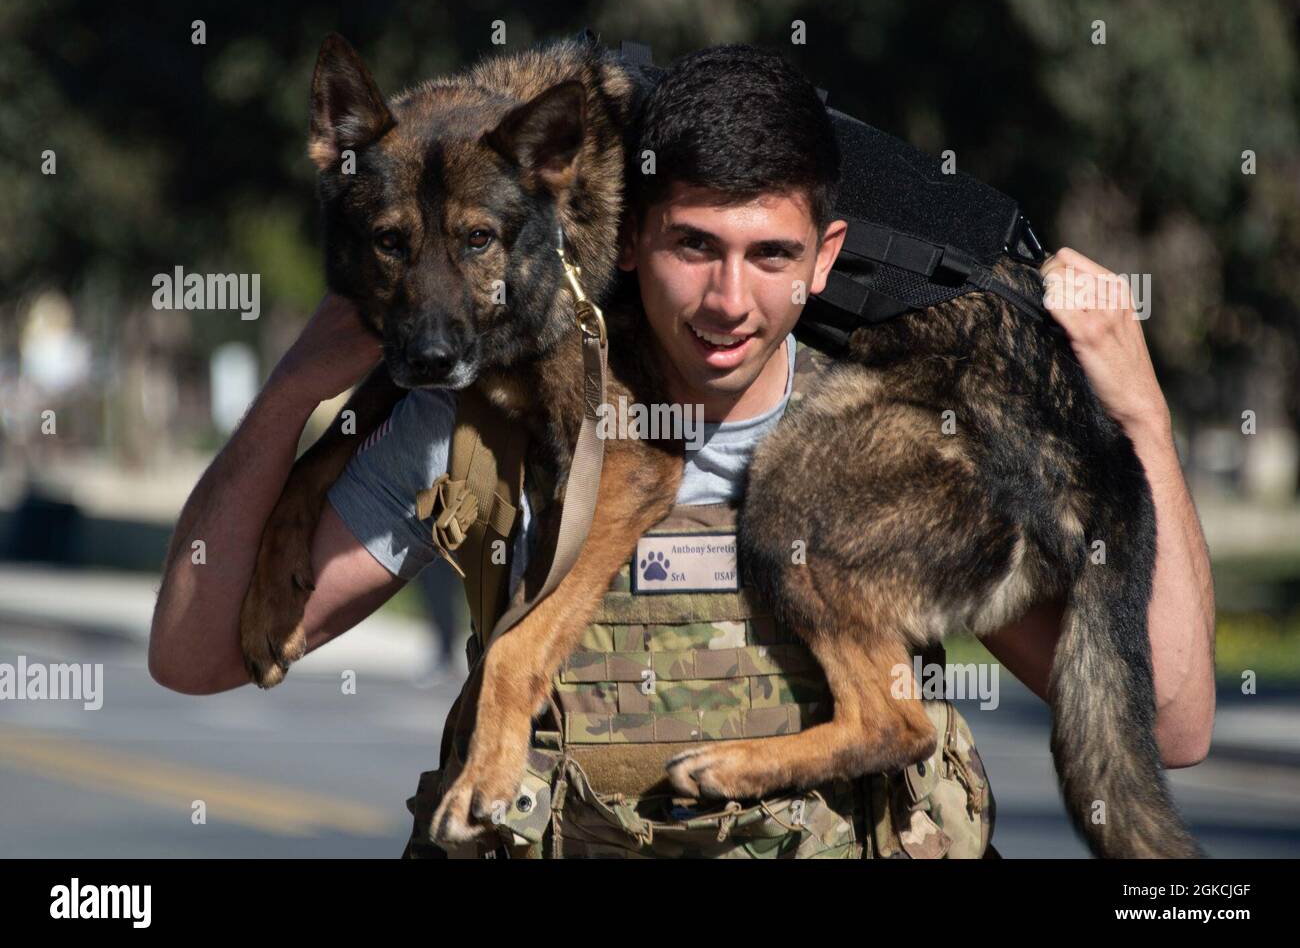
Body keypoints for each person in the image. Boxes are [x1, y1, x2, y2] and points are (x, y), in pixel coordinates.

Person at [148, 44, 1215, 857]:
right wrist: (294, 387)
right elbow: (193, 658)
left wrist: (1145, 423)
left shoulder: (906, 453)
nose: (727, 302)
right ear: (625, 239)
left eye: (770, 256)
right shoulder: (475, 426)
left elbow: (1164, 723)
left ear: (825, 257)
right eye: (693, 247)